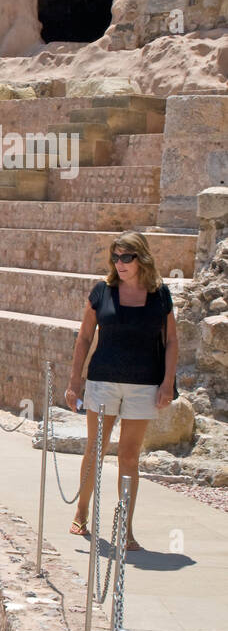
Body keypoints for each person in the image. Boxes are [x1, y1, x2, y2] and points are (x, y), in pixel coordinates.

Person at [63, 231, 176, 552]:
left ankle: (125, 529)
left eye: (127, 257)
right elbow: (84, 337)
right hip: (103, 382)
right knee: (95, 450)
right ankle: (82, 512)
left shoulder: (160, 296)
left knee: (129, 457)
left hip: (144, 386)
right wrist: (75, 382)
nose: (120, 263)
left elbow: (171, 342)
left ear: (142, 259)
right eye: (116, 257)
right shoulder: (102, 293)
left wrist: (168, 383)